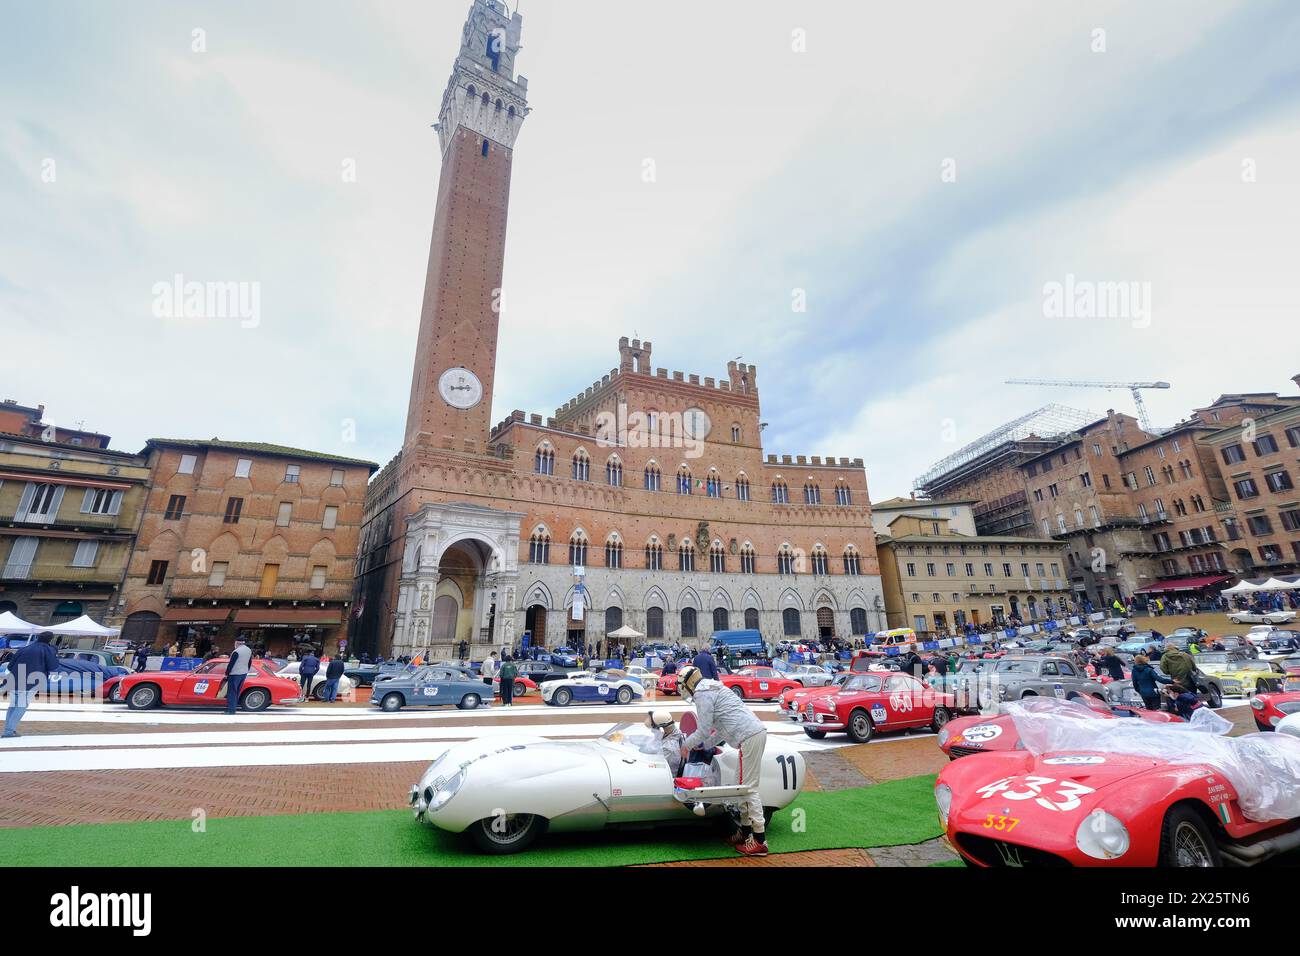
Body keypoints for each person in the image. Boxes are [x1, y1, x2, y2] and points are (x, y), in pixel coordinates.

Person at [677, 664, 769, 857]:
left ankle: (760, 841)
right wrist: (706, 745)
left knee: (748, 789)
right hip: (751, 735)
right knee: (740, 788)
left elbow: (702, 730)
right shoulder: (713, 687)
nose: (682, 689)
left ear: (689, 683)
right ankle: (745, 834)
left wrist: (686, 744)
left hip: (749, 737)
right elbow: (719, 729)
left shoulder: (702, 694)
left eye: (682, 685)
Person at [3, 631, 59, 738]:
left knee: (13, 705)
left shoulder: (24, 648)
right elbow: (53, 666)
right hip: (31, 683)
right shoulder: (47, 650)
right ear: (50, 639)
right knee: (21, 706)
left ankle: (8, 729)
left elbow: (10, 666)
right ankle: (9, 731)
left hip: (14, 680)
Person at [644, 710, 686, 776]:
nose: (653, 732)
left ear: (661, 730)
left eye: (653, 730)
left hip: (665, 777)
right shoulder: (673, 733)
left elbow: (657, 768)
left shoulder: (668, 748)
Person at [222, 637, 254, 715]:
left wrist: (227, 673)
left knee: (232, 692)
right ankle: (233, 707)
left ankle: (231, 710)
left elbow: (231, 664)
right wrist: (246, 670)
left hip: (235, 673)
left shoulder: (236, 651)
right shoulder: (248, 650)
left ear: (237, 643)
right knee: (237, 691)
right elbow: (249, 662)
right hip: (243, 673)